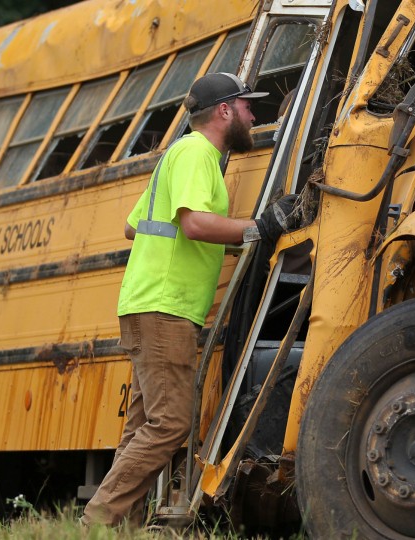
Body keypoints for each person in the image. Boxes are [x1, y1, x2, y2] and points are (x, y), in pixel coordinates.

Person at [81, 72, 298, 527]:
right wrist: (258, 227)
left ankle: (114, 528)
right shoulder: (199, 153)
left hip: (148, 303)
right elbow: (196, 224)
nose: (253, 116)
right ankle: (96, 522)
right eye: (246, 107)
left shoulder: (177, 156)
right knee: (171, 425)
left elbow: (132, 226)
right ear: (224, 111)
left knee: (143, 427)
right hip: (165, 308)